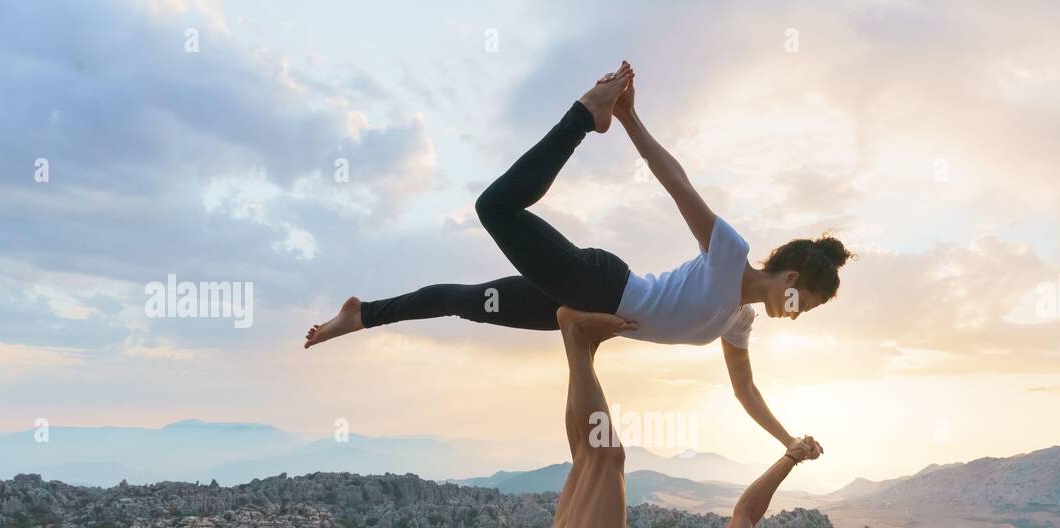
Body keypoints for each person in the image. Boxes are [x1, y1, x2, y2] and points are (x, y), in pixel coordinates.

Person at [304, 62, 852, 457]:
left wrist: (789, 442)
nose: (798, 313)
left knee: (466, 302)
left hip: (584, 305)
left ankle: (363, 312)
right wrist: (627, 119)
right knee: (494, 206)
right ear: (792, 276)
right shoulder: (729, 255)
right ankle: (583, 116)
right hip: (600, 284)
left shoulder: (740, 320)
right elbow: (675, 181)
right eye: (803, 301)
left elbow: (745, 392)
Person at [517, 307, 837, 528]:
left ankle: (577, 342)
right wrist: (791, 457)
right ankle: (580, 345)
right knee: (588, 455)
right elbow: (746, 513)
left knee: (606, 457)